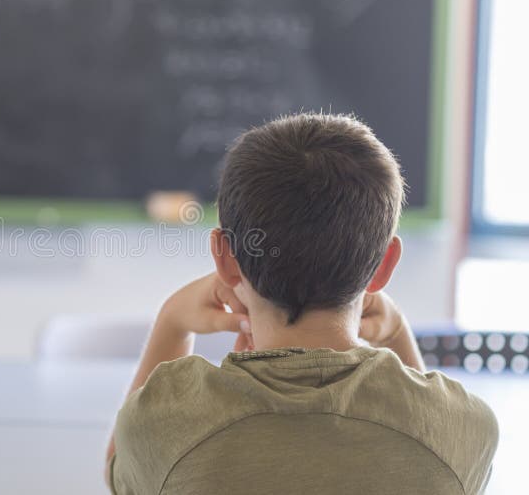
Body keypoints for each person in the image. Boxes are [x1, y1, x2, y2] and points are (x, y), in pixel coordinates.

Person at [105, 113, 498, 495]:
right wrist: (396, 333)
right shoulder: (466, 429)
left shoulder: (165, 428)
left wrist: (172, 320)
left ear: (224, 260)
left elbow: (121, 469)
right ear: (384, 267)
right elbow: (427, 431)